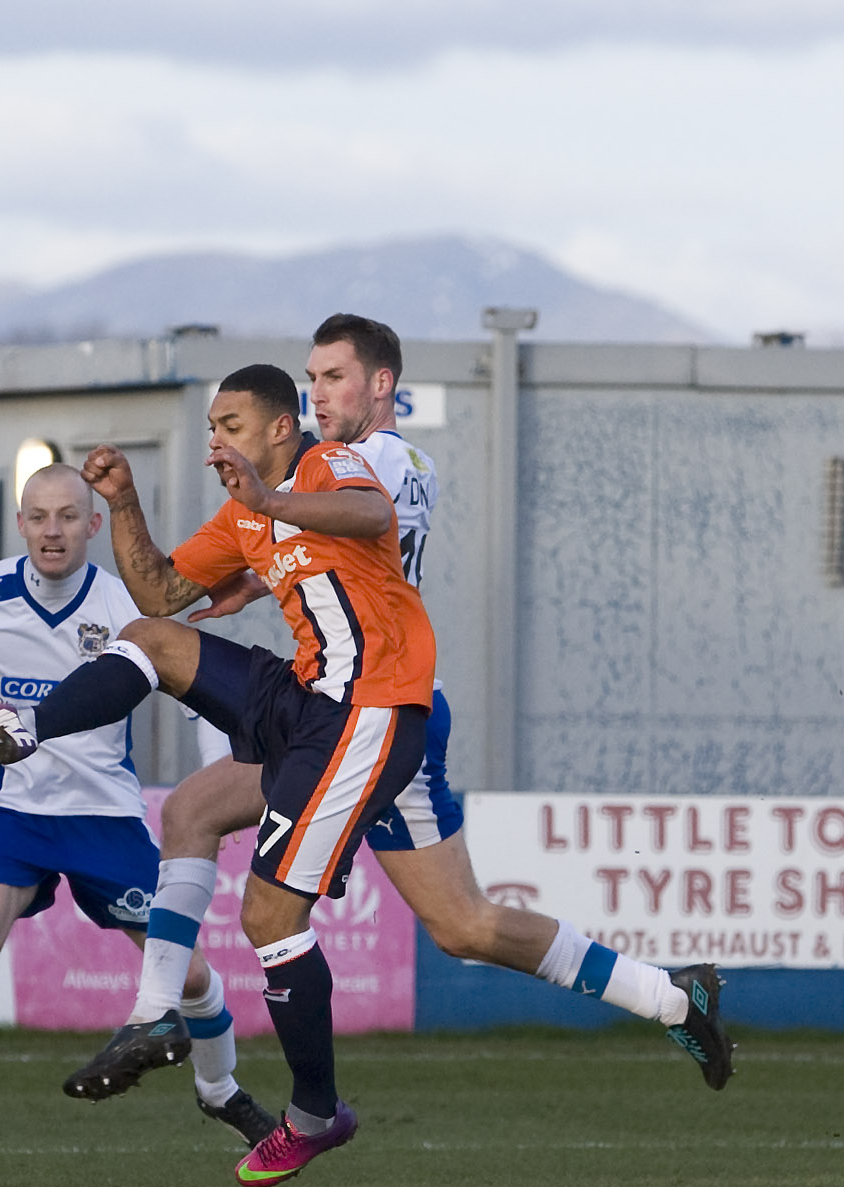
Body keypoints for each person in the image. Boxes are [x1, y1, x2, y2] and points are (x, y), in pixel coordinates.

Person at [158, 315, 735, 1093]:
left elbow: (360, 517)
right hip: (355, 707)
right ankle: (669, 996)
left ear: (382, 384)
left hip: (367, 713)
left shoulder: (373, 460)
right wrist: (262, 570)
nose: (316, 394)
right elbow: (349, 546)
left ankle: (164, 1010)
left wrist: (266, 526)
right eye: (312, 377)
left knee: (199, 816)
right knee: (463, 925)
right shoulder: (384, 462)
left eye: (334, 377)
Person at [0, 363, 435, 1187]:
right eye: (210, 427)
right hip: (307, 697)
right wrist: (125, 503)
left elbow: (372, 511)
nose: (214, 441)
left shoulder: (325, 467)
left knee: (270, 916)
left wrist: (269, 505)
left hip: (369, 707)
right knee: (165, 698)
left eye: (229, 425)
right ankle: (26, 732)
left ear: (279, 426)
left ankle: (312, 1115)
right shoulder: (246, 514)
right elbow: (159, 593)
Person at [0, 463, 279, 1147]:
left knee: (192, 973)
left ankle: (220, 1090)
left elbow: (199, 696)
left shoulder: (124, 607)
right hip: (17, 814)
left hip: (105, 817)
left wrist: (218, 789)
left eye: (66, 517)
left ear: (92, 525)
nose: (51, 531)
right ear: (21, 523)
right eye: (38, 516)